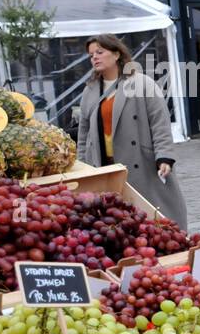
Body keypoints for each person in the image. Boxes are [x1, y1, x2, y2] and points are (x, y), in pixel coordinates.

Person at [77, 34, 188, 229]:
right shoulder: (90, 91)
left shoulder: (141, 83)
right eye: (91, 55)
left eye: (100, 52)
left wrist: (164, 156)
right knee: (116, 223)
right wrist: (82, 168)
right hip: (104, 168)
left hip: (140, 164)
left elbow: (160, 122)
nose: (94, 57)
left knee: (154, 220)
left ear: (117, 54)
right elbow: (84, 134)